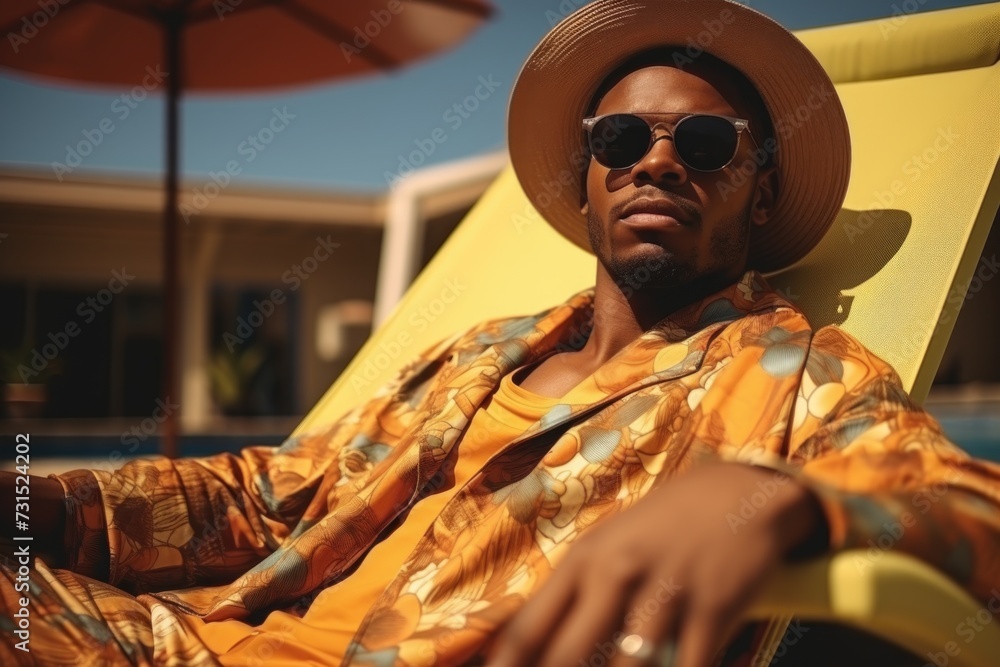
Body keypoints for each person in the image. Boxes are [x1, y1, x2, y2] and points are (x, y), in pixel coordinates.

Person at [3, 1, 1000, 665]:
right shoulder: (482, 350)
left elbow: (965, 503)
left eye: (703, 143)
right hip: (186, 643)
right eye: (619, 139)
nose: (656, 163)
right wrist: (32, 502)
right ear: (587, 178)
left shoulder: (795, 373)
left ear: (761, 187)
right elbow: (270, 496)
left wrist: (779, 497)